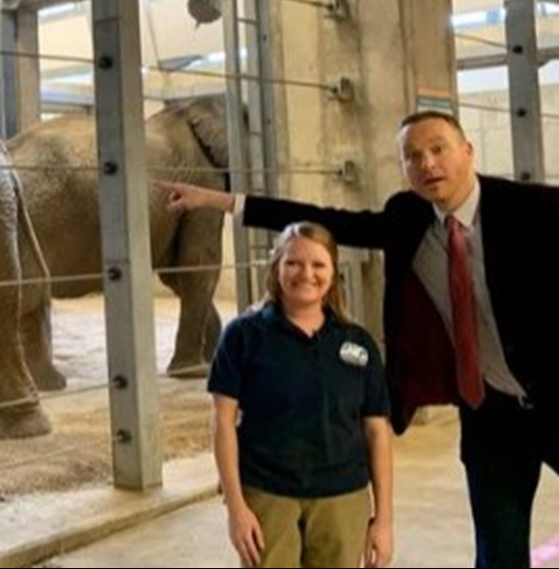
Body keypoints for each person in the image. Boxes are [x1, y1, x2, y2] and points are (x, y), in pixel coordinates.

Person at [157, 110, 559, 568]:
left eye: (438, 149)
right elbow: (326, 221)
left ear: (467, 151)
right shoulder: (407, 218)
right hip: (492, 412)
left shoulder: (532, 209)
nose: (427, 164)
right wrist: (222, 201)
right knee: (499, 549)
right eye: (412, 156)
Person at [210, 221, 393, 568]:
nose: (305, 273)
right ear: (276, 268)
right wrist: (236, 508)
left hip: (342, 497)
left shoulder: (358, 343)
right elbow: (222, 422)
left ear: (333, 272)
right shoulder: (243, 337)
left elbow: (376, 433)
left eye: (318, 264)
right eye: (293, 262)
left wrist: (383, 519)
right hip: (267, 494)